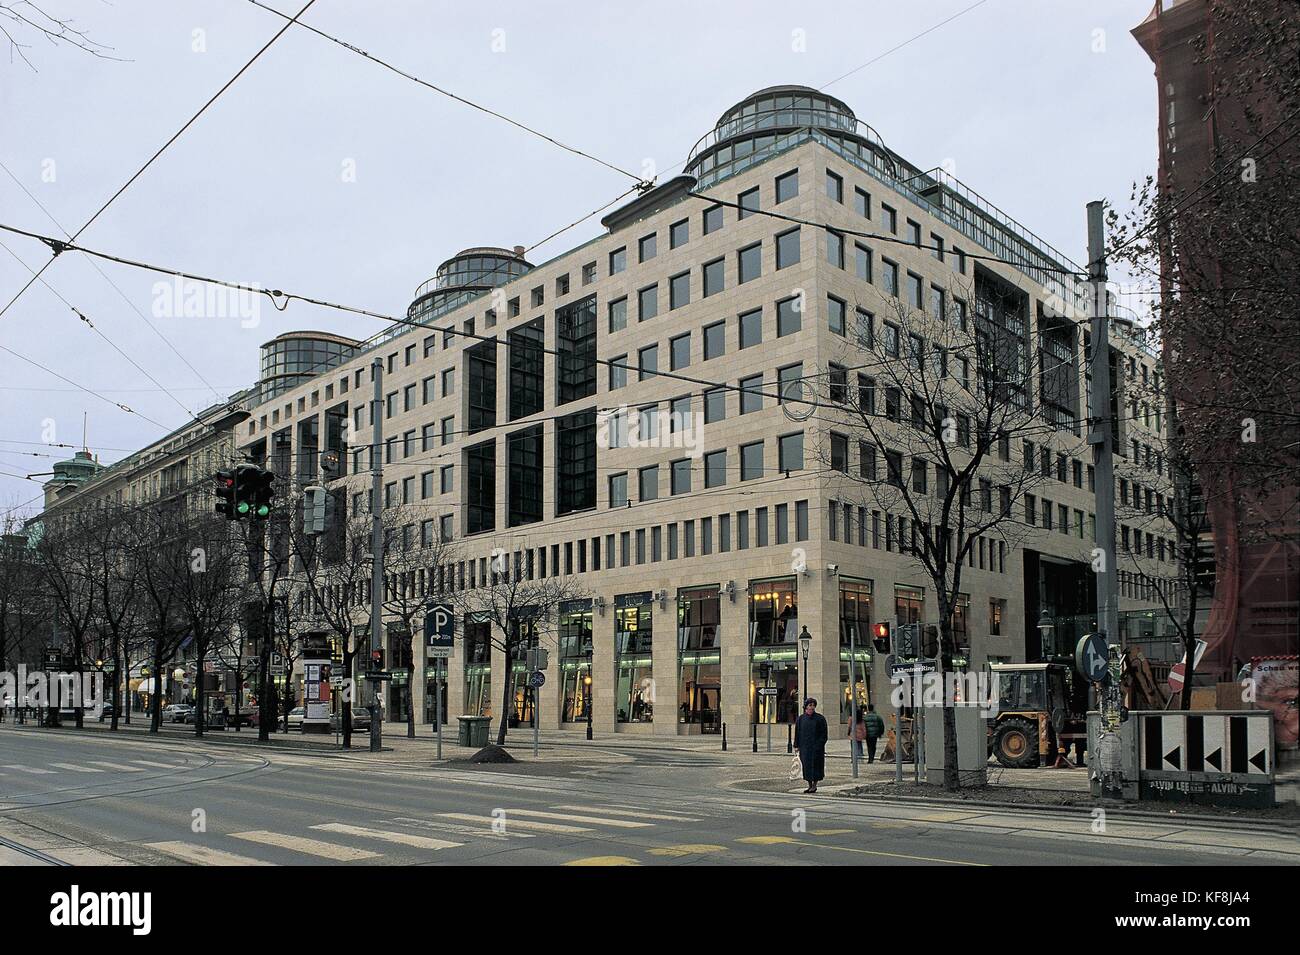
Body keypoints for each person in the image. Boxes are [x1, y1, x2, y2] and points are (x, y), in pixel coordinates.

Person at [794, 698, 828, 794]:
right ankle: (809, 785)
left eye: (813, 705)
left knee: (817, 767)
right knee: (807, 767)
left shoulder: (820, 719)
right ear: (806, 707)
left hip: (817, 748)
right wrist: (796, 745)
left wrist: (819, 745)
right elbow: (797, 733)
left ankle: (814, 785)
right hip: (805, 748)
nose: (811, 707)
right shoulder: (801, 719)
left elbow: (824, 734)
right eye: (810, 705)